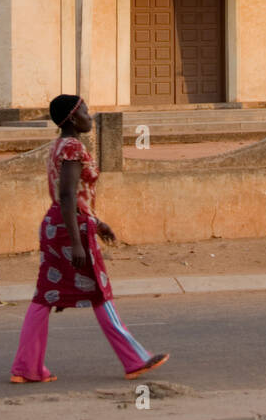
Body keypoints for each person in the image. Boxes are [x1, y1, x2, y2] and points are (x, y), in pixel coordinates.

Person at [10, 93, 169, 383]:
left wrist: (97, 222)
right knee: (99, 291)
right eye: (85, 111)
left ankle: (26, 367)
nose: (90, 116)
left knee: (45, 296)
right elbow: (68, 195)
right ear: (72, 117)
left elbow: (71, 196)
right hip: (70, 228)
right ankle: (135, 359)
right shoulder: (72, 147)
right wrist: (77, 241)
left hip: (56, 224)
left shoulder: (58, 145)